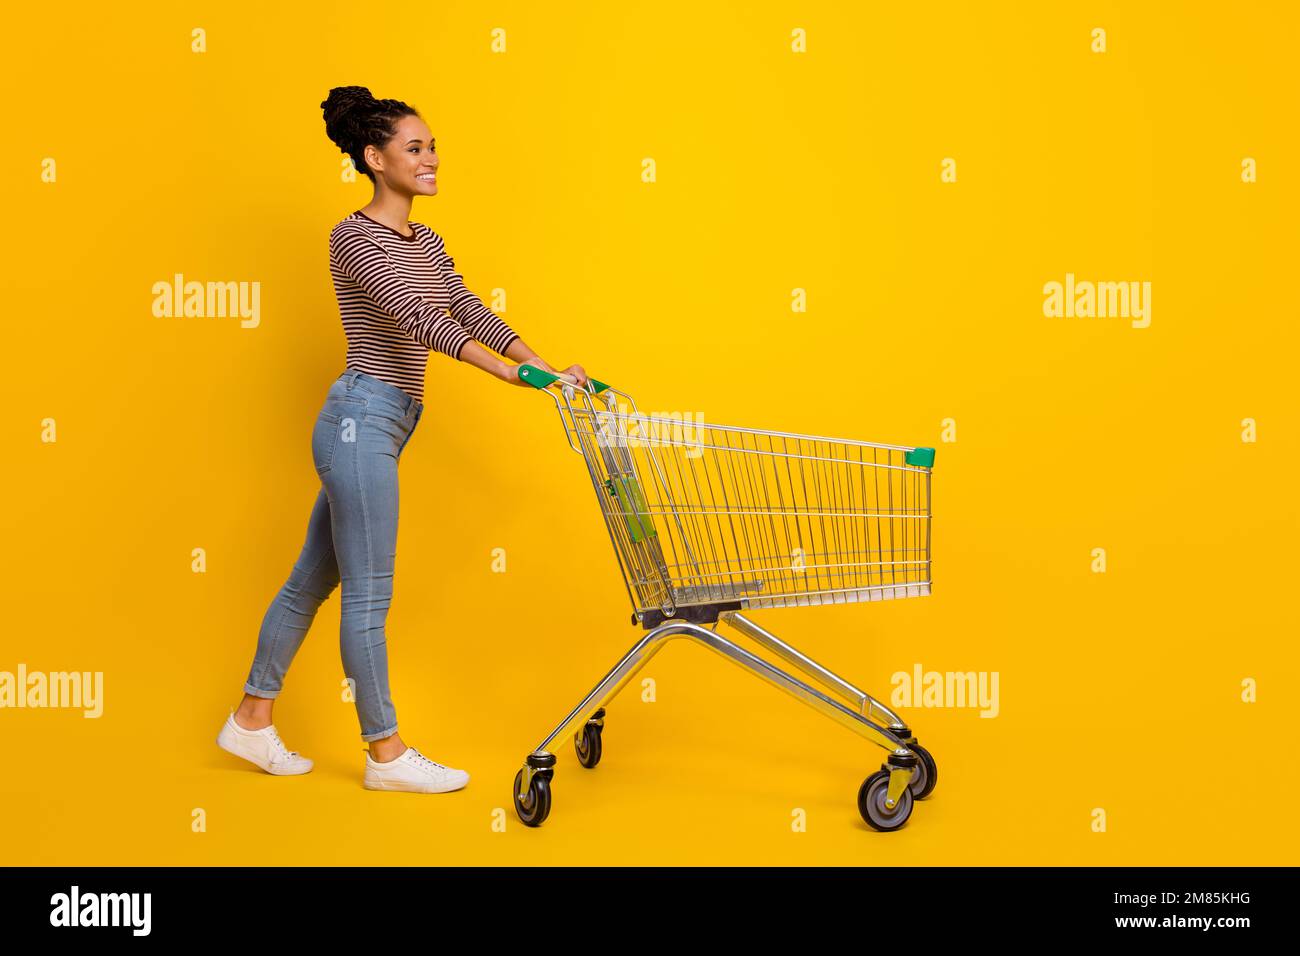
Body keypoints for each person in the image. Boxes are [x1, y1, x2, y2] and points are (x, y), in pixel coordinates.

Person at [216, 85, 587, 794]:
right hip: (361, 420)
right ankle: (385, 753)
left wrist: (544, 366)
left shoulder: (427, 240)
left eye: (432, 145)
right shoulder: (353, 238)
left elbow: (466, 307)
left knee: (309, 582)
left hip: (384, 425)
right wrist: (515, 379)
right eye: (414, 148)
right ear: (374, 158)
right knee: (369, 596)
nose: (431, 159)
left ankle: (251, 719)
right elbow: (423, 320)